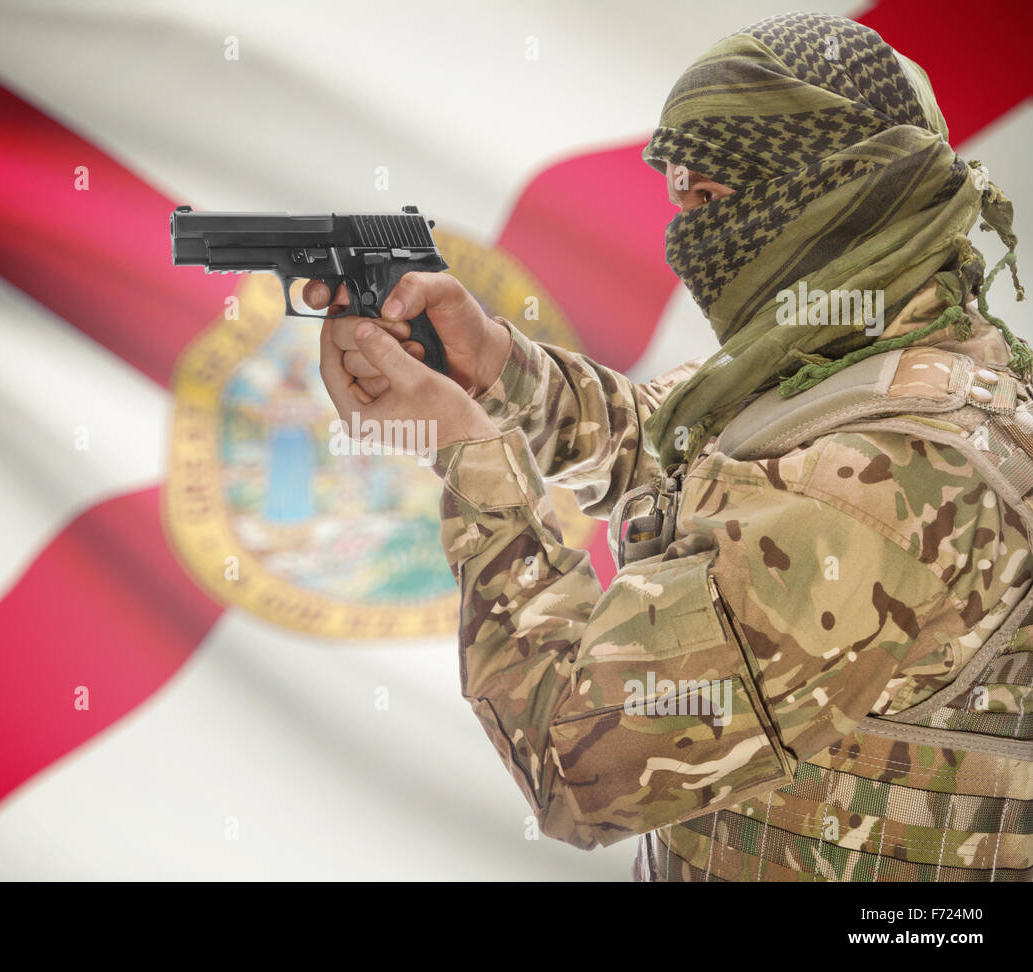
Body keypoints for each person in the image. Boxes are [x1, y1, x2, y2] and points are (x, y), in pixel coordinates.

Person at [312, 11, 1031, 881]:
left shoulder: (886, 482)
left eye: (709, 196)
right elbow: (670, 447)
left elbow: (581, 767)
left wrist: (471, 457)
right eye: (676, 193)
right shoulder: (861, 360)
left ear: (830, 191)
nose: (683, 229)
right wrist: (494, 365)